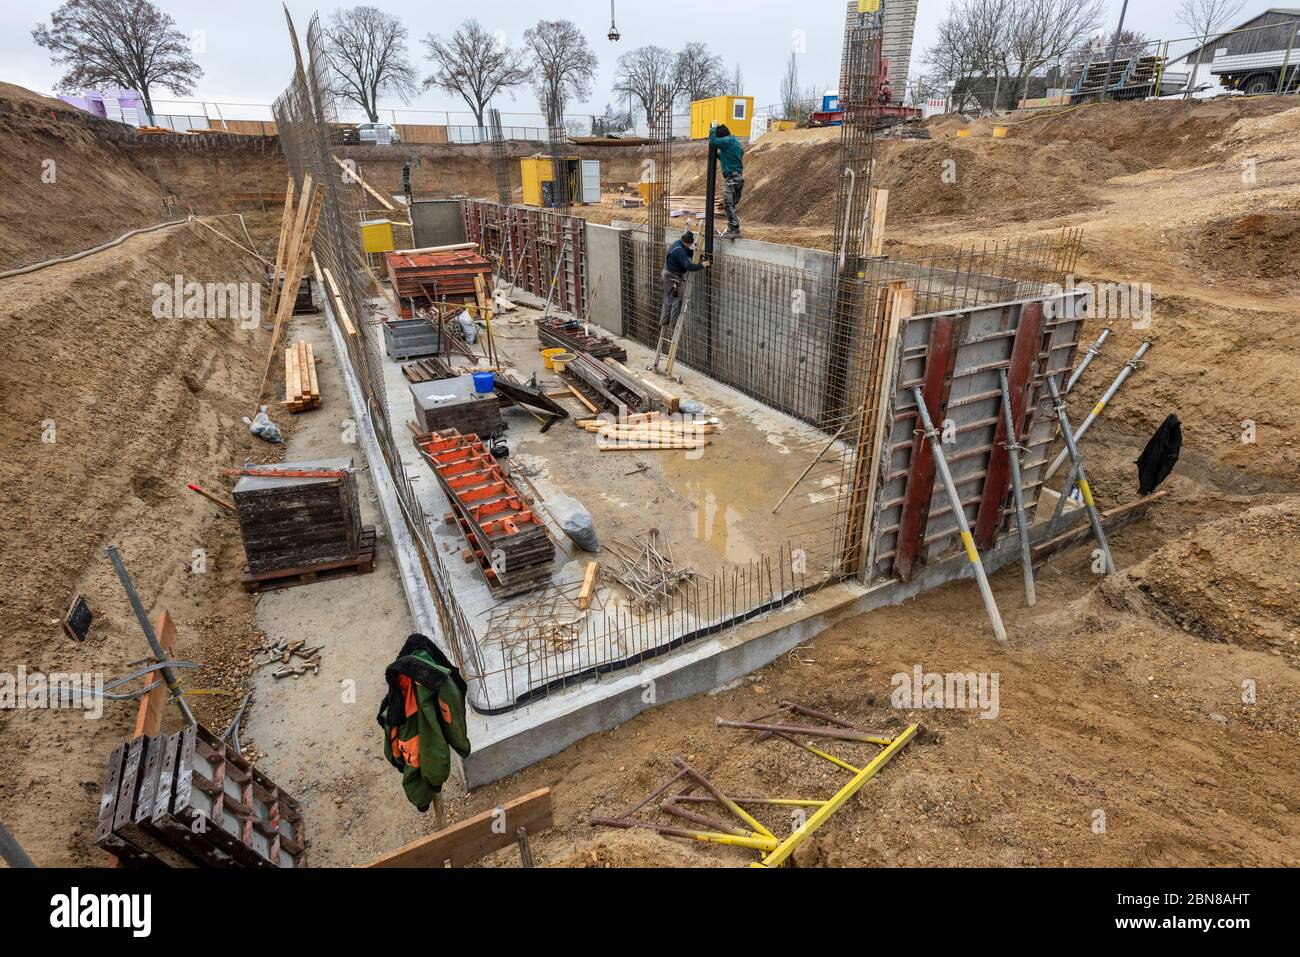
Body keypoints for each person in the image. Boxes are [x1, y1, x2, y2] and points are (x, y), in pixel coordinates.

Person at [659, 230, 709, 340]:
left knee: (668, 299)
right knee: (677, 300)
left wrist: (698, 255)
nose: (690, 246)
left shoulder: (678, 244)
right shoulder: (680, 251)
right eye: (690, 244)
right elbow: (689, 266)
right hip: (673, 278)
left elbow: (687, 252)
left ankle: (664, 320)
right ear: (687, 242)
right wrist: (702, 265)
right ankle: (674, 324)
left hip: (667, 274)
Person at [709, 122, 744, 239]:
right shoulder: (735, 142)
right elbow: (728, 156)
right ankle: (732, 226)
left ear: (722, 137)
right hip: (738, 178)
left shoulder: (728, 140)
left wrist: (713, 128)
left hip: (732, 178)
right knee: (731, 205)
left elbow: (712, 141)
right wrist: (718, 156)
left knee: (728, 205)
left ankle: (735, 229)